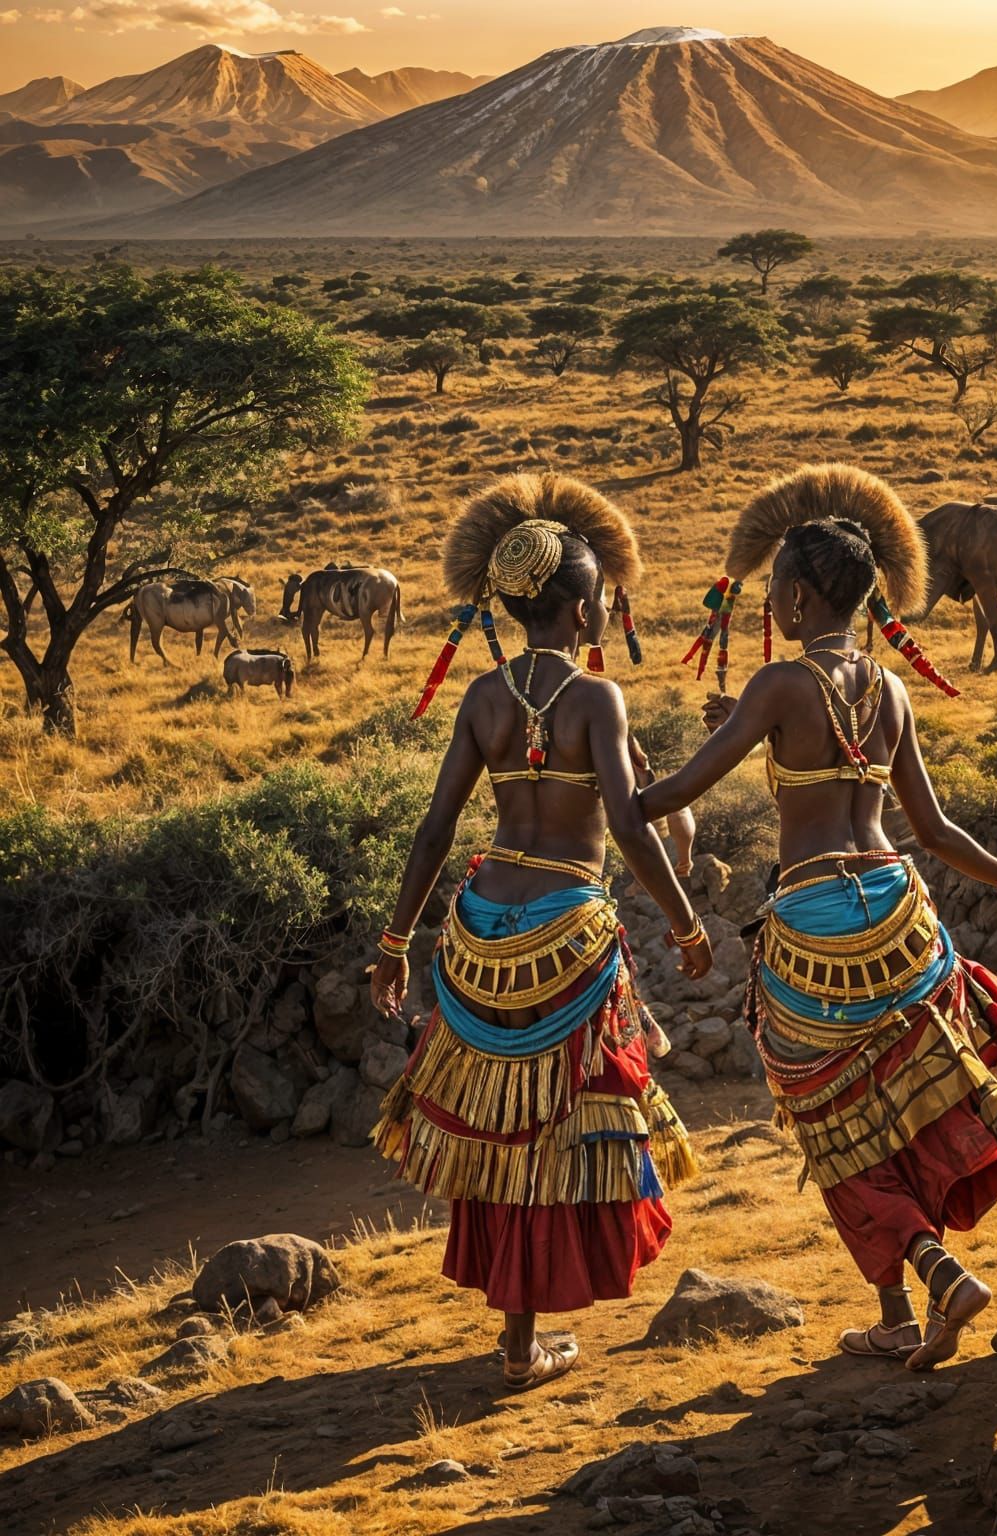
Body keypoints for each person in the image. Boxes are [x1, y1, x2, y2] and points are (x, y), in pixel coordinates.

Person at [639, 463, 997, 1371]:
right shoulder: (891, 687)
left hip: (816, 926)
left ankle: (929, 1277)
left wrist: (607, 776)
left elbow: (678, 791)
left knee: (831, 1120)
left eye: (774, 591)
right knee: (892, 1105)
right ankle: (895, 1319)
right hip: (903, 914)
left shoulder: (780, 683)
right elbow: (936, 828)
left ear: (795, 597)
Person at [370, 472, 711, 1392]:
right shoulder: (596, 698)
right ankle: (531, 1339)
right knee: (556, 1123)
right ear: (577, 609)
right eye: (599, 597)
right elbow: (632, 827)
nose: (606, 610)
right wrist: (683, 920)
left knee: (500, 1126)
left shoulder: (483, 697)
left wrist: (397, 942)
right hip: (565, 934)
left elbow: (437, 829)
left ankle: (517, 1343)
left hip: (478, 935)